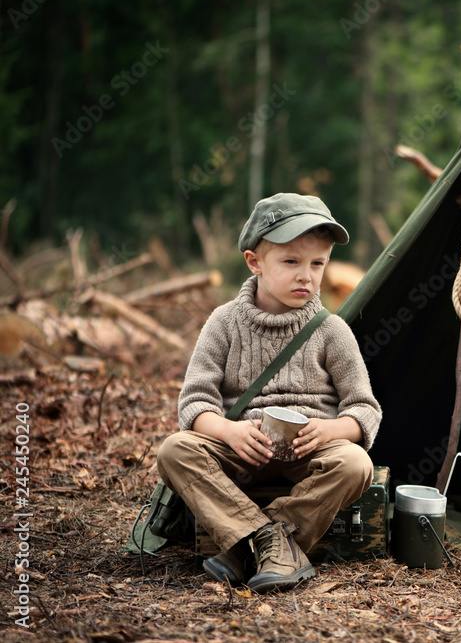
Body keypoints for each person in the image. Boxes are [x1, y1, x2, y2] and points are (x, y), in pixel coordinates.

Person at [156, 192, 382, 592]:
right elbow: (195, 402)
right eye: (291, 261)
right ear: (254, 262)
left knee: (355, 464)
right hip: (241, 449)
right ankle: (273, 543)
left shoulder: (332, 331)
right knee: (175, 450)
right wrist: (229, 433)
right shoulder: (224, 322)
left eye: (317, 264)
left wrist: (329, 432)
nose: (306, 276)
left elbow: (364, 409)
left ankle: (247, 545)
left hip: (307, 454)